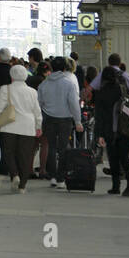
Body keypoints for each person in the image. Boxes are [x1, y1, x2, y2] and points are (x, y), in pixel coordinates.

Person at [37, 55, 83, 188]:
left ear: (52, 67)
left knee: (51, 147)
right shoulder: (69, 84)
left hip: (48, 119)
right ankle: (61, 179)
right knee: (63, 148)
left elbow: (39, 103)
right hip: (65, 119)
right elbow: (73, 103)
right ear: (64, 68)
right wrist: (78, 121)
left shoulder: (43, 84)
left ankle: (52, 176)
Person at [0, 64, 43, 192]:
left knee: (9, 153)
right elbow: (37, 112)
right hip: (28, 127)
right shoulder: (33, 92)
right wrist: (38, 126)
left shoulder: (5, 89)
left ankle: (14, 174)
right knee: (26, 157)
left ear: (11, 76)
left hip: (9, 126)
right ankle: (22, 186)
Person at [94, 66, 129, 196]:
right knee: (124, 157)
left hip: (110, 131)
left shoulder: (101, 93)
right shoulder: (122, 89)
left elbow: (99, 116)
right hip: (125, 129)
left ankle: (116, 186)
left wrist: (99, 135)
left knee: (113, 159)